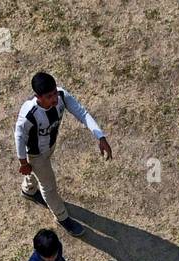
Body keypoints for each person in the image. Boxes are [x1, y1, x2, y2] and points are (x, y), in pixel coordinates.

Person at [14, 71, 112, 237]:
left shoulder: (62, 95)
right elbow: (19, 137)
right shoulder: (28, 115)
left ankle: (28, 189)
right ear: (38, 97)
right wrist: (23, 162)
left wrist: (100, 136)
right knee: (49, 186)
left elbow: (82, 113)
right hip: (36, 155)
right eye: (49, 96)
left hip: (50, 147)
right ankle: (62, 217)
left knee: (39, 175)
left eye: (54, 93)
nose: (55, 99)